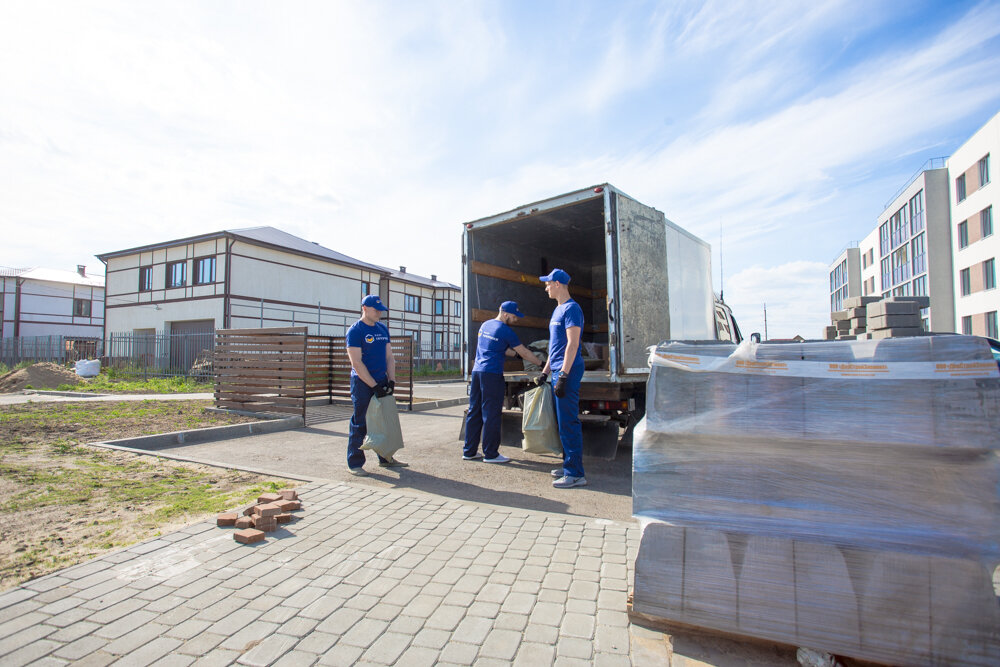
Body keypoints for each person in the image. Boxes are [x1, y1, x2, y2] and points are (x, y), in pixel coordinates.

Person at [464, 301, 545, 463]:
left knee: (475, 411)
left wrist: (514, 355)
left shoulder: (485, 325)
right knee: (491, 413)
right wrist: (542, 365)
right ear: (506, 314)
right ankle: (491, 454)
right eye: (514, 316)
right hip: (492, 374)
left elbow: (495, 347)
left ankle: (469, 451)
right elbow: (525, 352)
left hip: (477, 373)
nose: (516, 320)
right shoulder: (505, 331)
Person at [345, 294, 407, 476]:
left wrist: (392, 380)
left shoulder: (382, 329)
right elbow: (356, 363)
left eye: (381, 310)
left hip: (381, 381)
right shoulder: (355, 331)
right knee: (361, 422)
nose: (379, 313)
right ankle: (355, 463)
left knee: (384, 422)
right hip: (363, 383)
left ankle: (386, 458)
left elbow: (389, 357)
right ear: (364, 308)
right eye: (375, 310)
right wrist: (373, 386)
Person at [538, 268, 587, 488]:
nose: (546, 287)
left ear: (557, 284)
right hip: (557, 369)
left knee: (568, 422)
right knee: (561, 422)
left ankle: (575, 473)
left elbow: (572, 345)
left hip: (568, 370)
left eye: (548, 283)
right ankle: (569, 464)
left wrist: (564, 376)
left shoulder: (572, 309)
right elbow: (554, 348)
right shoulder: (557, 310)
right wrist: (545, 373)